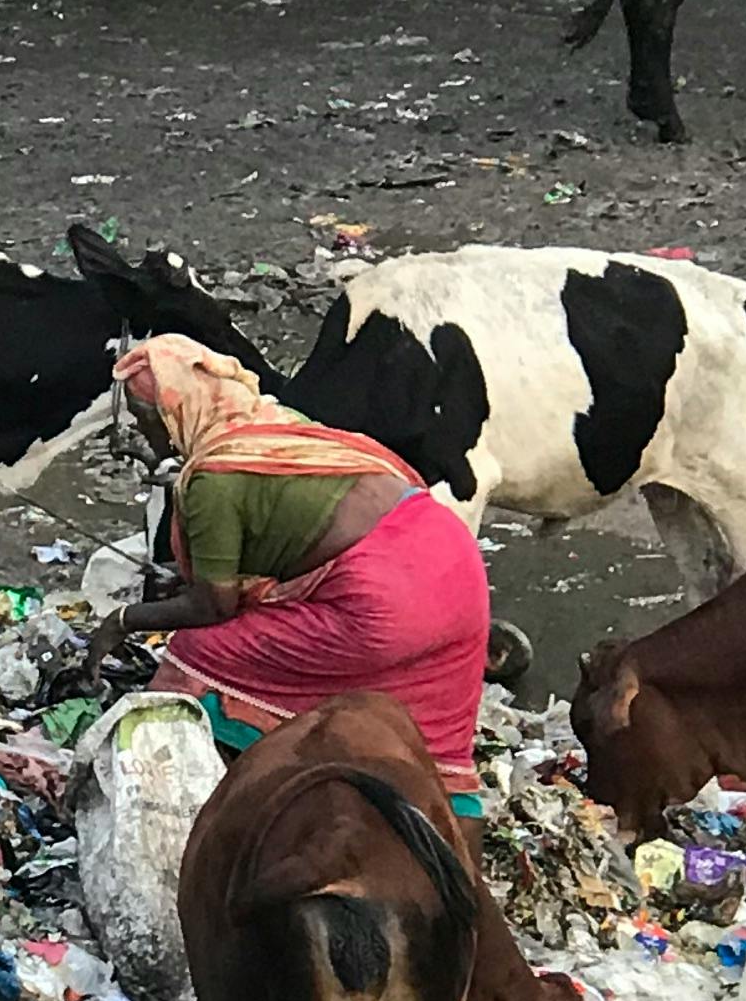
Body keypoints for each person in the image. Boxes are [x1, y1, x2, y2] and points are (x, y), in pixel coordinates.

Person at [109, 335, 493, 797]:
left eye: (146, 419)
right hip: (453, 563)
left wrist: (123, 621)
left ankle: (184, 792)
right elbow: (283, 522)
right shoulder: (278, 426)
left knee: (199, 654)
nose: (145, 433)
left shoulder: (215, 476)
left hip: (385, 601)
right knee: (438, 725)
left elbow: (215, 604)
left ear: (173, 414)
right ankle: (455, 814)